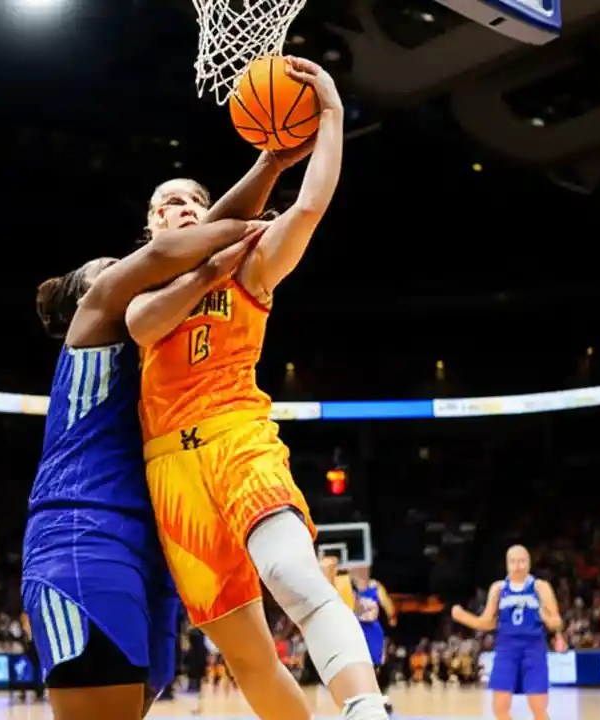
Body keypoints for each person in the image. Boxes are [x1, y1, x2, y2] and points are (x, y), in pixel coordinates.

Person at [126, 56, 388, 720]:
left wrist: (328, 113)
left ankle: (366, 710)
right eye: (168, 203)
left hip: (237, 436)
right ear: (150, 229)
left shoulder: (251, 266)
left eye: (193, 198)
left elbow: (310, 205)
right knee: (247, 657)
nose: (182, 207)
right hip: (170, 473)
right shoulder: (131, 284)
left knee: (294, 576)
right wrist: (206, 259)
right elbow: (146, 322)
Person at [23, 154, 308, 719]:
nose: (134, 274)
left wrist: (273, 163)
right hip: (85, 534)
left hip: (155, 549)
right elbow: (167, 255)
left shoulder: (161, 332)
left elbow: (182, 259)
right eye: (117, 269)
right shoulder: (96, 318)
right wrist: (259, 228)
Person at [450, 545, 565, 720]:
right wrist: (462, 616)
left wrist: (545, 617)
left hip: (533, 651)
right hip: (506, 651)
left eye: (522, 561)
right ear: (506, 564)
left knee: (538, 707)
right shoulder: (498, 588)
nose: (518, 565)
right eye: (514, 561)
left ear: (529, 563)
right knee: (500, 708)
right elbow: (487, 623)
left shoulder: (540, 587)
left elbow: (557, 622)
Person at [321, 558, 396, 711]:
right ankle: (358, 696)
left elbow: (389, 607)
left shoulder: (375, 587)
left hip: (373, 630)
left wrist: (390, 615)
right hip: (355, 629)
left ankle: (375, 696)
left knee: (375, 666)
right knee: (357, 664)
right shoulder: (346, 586)